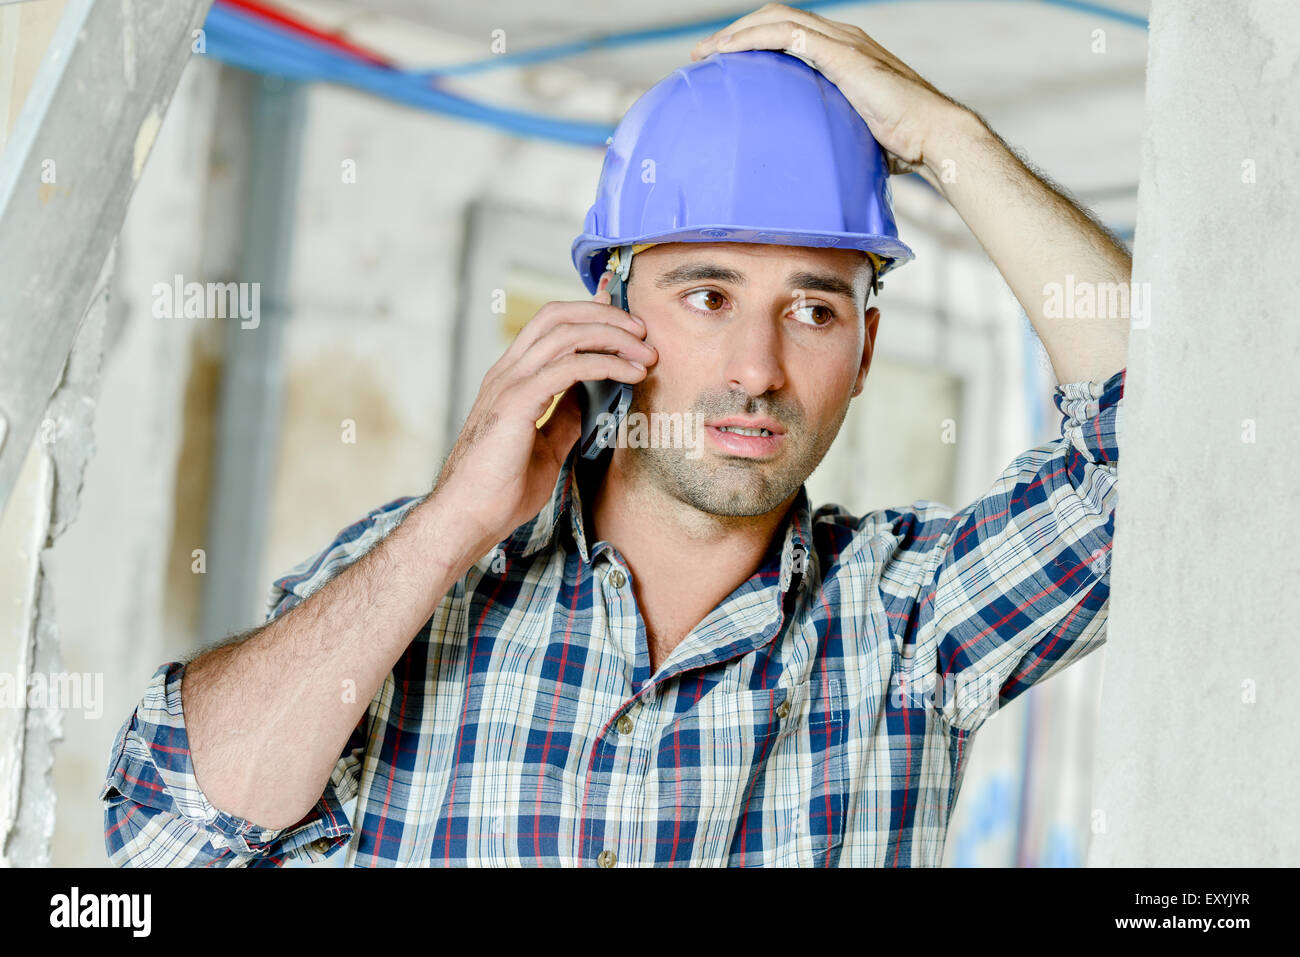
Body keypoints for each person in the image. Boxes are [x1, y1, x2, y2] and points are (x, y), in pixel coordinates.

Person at [101, 4, 1126, 867]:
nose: (756, 370)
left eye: (813, 310)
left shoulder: (909, 625)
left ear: (865, 351)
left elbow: (1161, 456)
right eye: (706, 294)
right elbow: (170, 832)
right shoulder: (426, 588)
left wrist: (949, 139)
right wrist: (455, 516)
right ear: (611, 309)